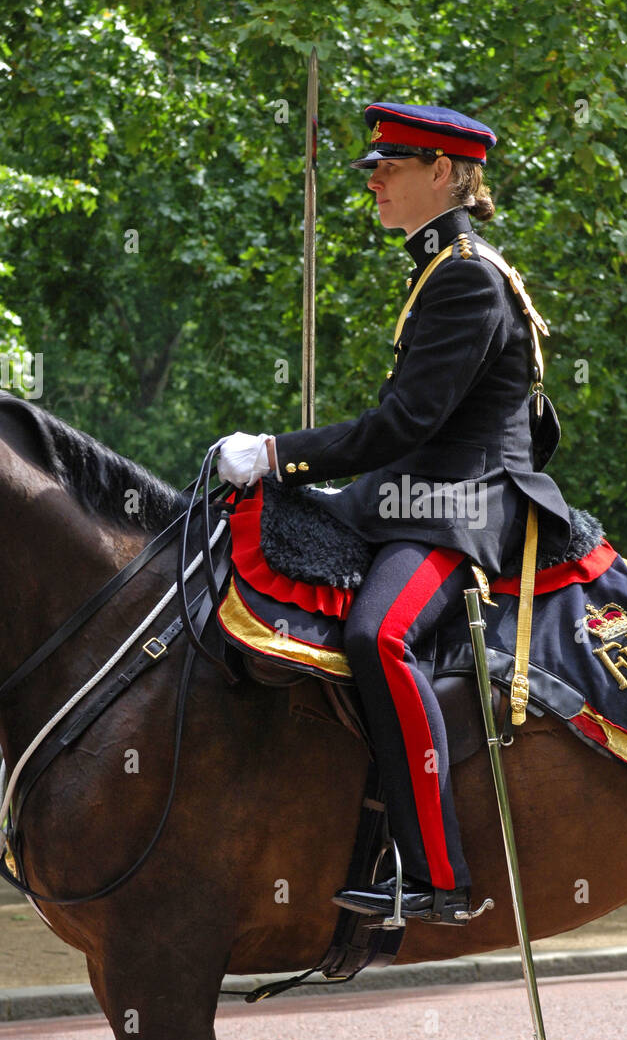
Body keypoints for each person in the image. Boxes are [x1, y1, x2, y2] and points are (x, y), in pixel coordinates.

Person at [217, 102, 572, 922]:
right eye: (375, 165)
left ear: (446, 174)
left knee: (379, 634)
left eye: (393, 164)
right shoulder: (440, 268)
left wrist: (277, 452)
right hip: (417, 496)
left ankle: (436, 871)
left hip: (463, 507)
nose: (373, 178)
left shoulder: (467, 276)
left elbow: (404, 425)